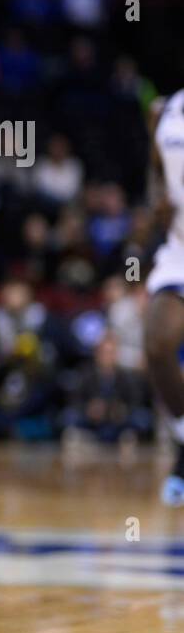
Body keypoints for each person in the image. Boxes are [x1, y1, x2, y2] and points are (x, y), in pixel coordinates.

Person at [142, 90, 184, 505]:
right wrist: (158, 200)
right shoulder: (164, 111)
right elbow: (156, 172)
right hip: (180, 252)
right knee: (157, 344)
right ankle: (183, 440)